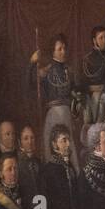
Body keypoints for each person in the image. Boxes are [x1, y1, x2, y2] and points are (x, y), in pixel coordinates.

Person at [31, 33, 79, 169]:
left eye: (64, 48)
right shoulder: (45, 71)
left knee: (69, 148)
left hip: (67, 115)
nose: (63, 52)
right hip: (53, 115)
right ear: (53, 51)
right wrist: (32, 63)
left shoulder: (69, 71)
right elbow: (31, 84)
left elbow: (75, 94)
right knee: (52, 148)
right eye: (59, 49)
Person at [82, 24, 105, 125]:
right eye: (101, 38)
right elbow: (83, 85)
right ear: (94, 40)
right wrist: (96, 89)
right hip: (94, 100)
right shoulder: (87, 60)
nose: (104, 40)